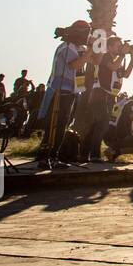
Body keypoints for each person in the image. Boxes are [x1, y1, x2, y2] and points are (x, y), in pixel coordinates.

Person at [36, 20, 93, 168]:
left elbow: (91, 61)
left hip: (70, 91)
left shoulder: (78, 48)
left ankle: (54, 156)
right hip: (59, 90)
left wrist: (92, 48)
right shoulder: (67, 47)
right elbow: (76, 64)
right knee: (54, 124)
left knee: (62, 125)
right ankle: (44, 157)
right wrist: (90, 50)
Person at [77, 34, 133, 162]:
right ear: (109, 47)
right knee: (102, 124)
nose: (120, 48)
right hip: (100, 93)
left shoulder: (117, 59)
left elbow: (126, 74)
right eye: (118, 46)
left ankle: (84, 154)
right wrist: (123, 54)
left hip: (109, 95)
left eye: (121, 46)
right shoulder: (105, 56)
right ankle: (94, 155)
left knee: (96, 125)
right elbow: (112, 67)